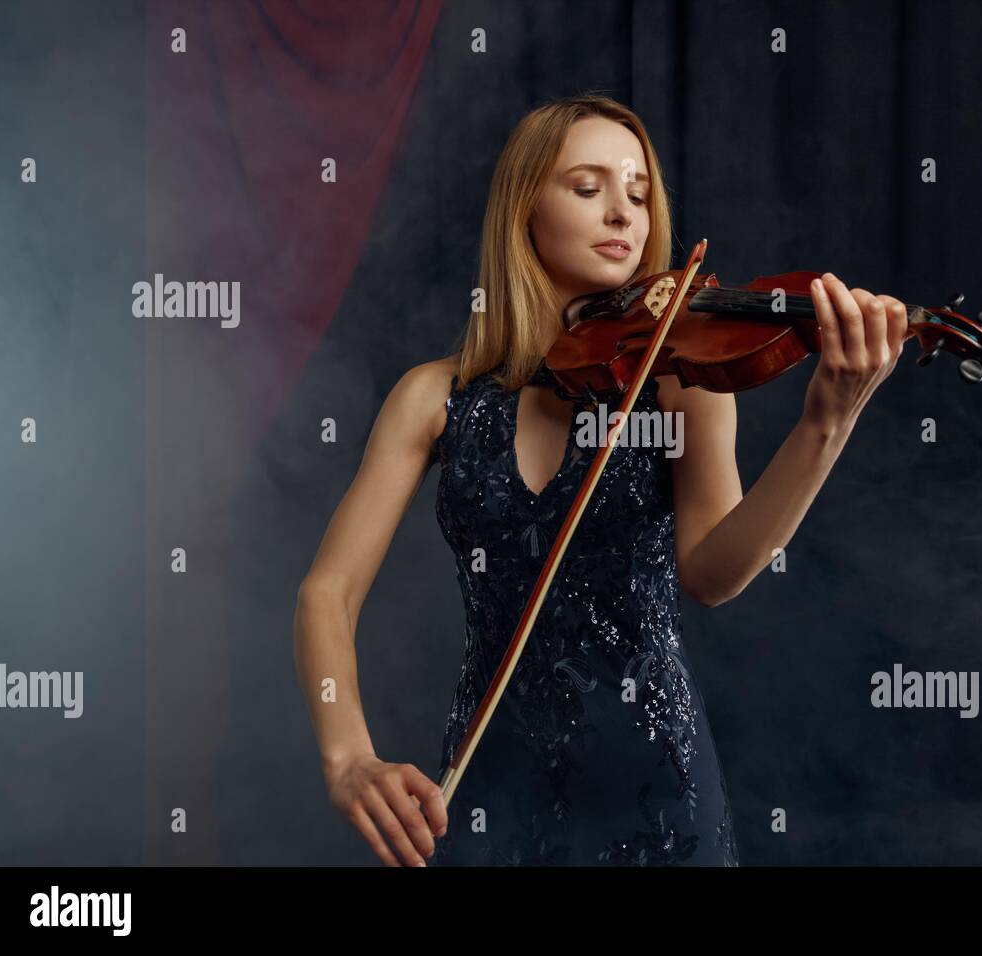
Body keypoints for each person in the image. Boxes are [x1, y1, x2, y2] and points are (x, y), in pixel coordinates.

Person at [293, 94, 910, 866]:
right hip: (487, 788)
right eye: (588, 189)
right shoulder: (433, 397)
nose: (622, 213)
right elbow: (328, 592)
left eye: (640, 194)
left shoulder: (682, 380)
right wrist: (349, 757)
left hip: (657, 790)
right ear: (525, 210)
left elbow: (713, 575)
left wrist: (826, 422)